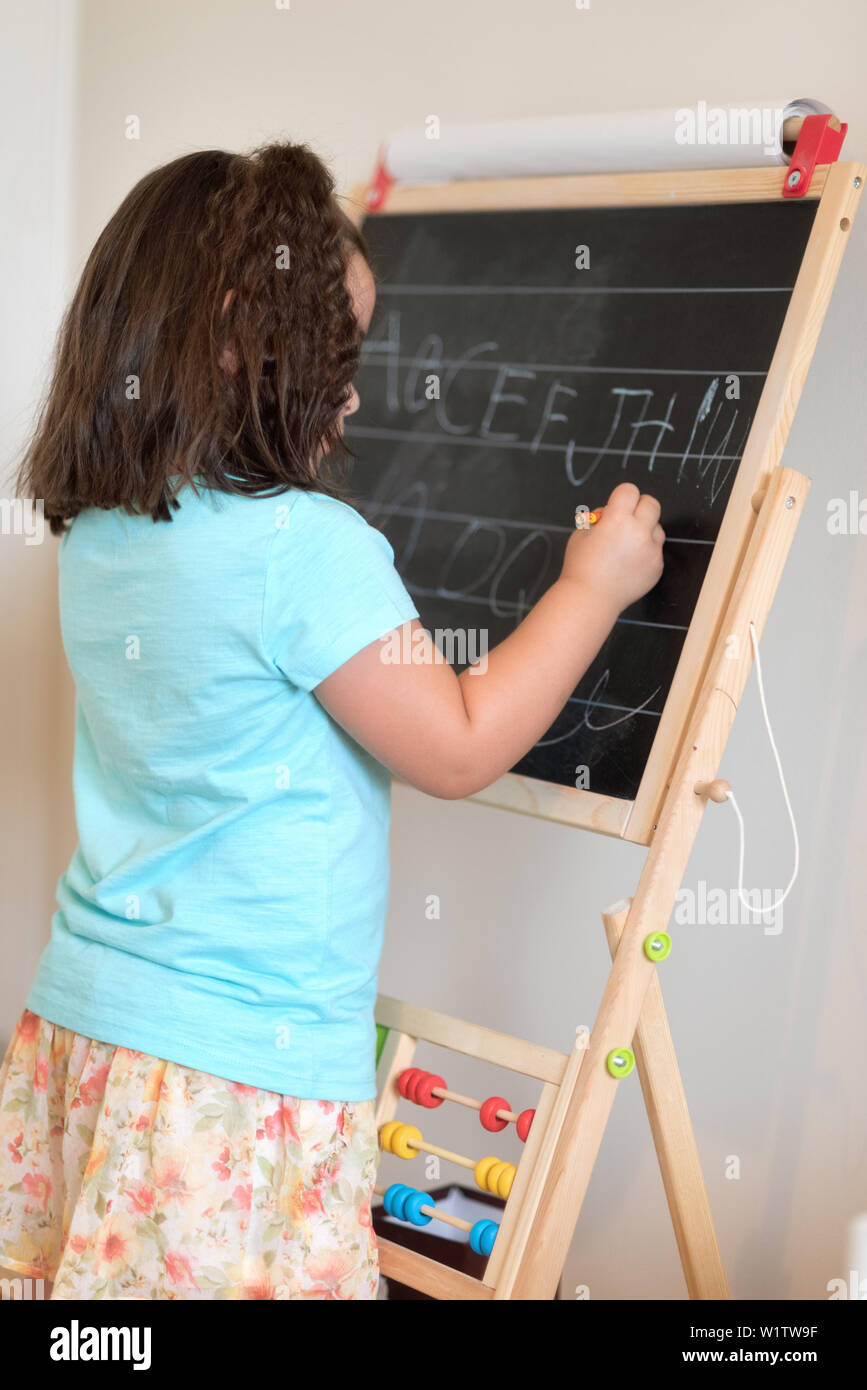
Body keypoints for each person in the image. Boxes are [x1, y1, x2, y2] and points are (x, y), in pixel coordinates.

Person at [0, 140, 664, 1299]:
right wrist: (590, 588)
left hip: (88, 1030)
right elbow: (457, 742)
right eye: (335, 352)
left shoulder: (102, 532)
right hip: (233, 1078)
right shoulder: (302, 551)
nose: (354, 391)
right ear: (236, 340)